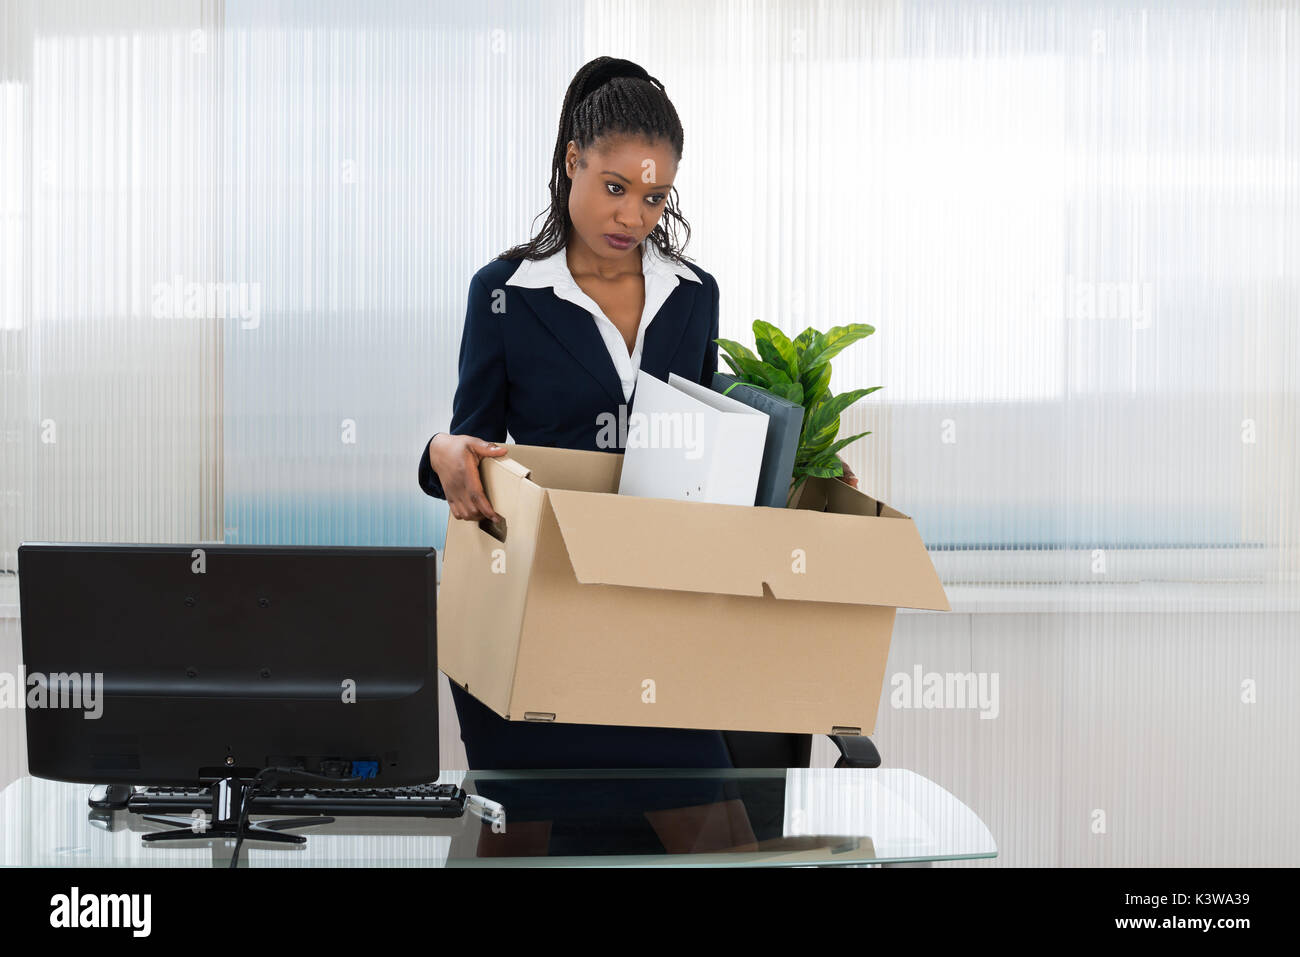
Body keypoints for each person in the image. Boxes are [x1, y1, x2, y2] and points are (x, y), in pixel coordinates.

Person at [420, 56, 857, 770]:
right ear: (572, 162)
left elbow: (700, 444)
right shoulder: (505, 291)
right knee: (520, 836)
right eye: (615, 187)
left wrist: (799, 465)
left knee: (714, 830)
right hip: (536, 612)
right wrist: (440, 450)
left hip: (656, 619)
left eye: (655, 198)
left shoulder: (692, 293)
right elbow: (474, 452)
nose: (632, 217)